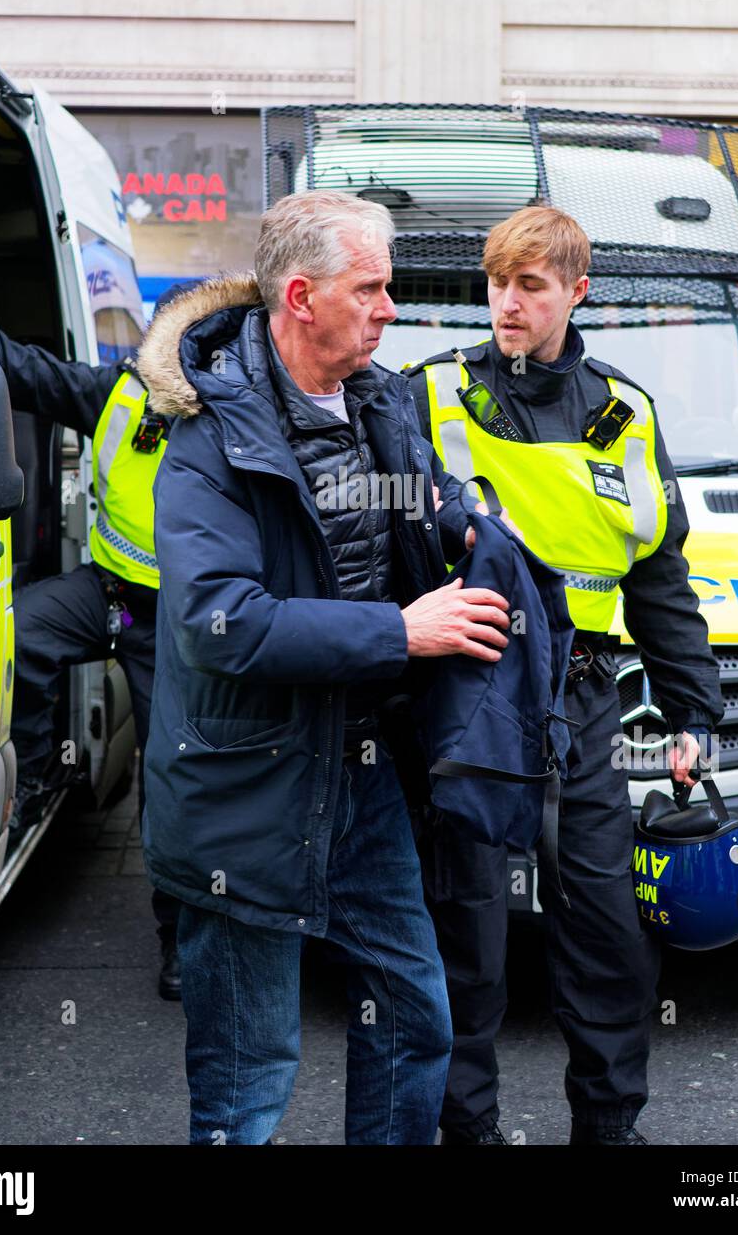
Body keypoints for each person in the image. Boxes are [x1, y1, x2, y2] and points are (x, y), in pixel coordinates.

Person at [138, 190, 516, 1146]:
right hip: (243, 786)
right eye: (372, 288)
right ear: (301, 297)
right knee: (248, 1069)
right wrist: (403, 632)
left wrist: (453, 520)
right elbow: (220, 625)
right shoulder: (208, 440)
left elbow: (401, 502)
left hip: (359, 773)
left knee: (413, 1018)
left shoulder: (377, 401)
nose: (391, 308)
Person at [405, 205, 725, 1146]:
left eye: (530, 286)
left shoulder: (627, 416)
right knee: (467, 930)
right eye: (497, 283)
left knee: (606, 932)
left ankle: (607, 1125)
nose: (507, 303)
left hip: (582, 697)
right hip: (470, 688)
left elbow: (660, 585)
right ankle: (466, 1130)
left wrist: (692, 714)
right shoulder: (425, 394)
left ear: (576, 293)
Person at [0, 328, 182, 1001]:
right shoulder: (117, 393)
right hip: (112, 597)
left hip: (181, 624)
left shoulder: (232, 412)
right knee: (21, 632)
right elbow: (28, 372)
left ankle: (179, 939)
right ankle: (38, 776)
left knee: (168, 778)